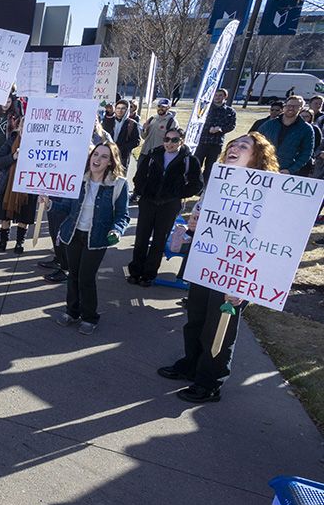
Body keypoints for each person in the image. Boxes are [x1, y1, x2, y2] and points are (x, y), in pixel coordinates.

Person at [159, 133, 280, 402]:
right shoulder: (217, 184)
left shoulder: (270, 194)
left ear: (257, 156)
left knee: (220, 327)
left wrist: (245, 286)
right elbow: (205, 226)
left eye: (244, 146)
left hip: (238, 272)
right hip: (208, 265)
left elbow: (273, 242)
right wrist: (193, 227)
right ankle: (192, 364)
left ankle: (209, 382)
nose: (235, 148)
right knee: (197, 319)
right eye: (233, 145)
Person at [52, 141, 130, 335]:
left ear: (111, 162)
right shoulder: (79, 179)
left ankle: (89, 317)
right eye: (96, 154)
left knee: (86, 278)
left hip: (96, 238)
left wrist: (117, 230)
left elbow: (123, 215)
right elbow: (66, 207)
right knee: (73, 275)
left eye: (104, 156)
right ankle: (72, 311)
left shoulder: (118, 184)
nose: (98, 159)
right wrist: (49, 203)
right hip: (74, 233)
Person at [128, 127, 202, 286]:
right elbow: (139, 176)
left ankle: (149, 274)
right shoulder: (154, 155)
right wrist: (143, 191)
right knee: (141, 237)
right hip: (148, 202)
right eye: (167, 139)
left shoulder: (189, 160)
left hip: (169, 205)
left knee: (159, 240)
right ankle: (135, 271)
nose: (170, 143)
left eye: (174, 140)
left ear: (181, 141)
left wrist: (178, 194)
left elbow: (197, 184)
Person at [0, 112, 35, 253]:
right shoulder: (12, 139)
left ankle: (19, 243)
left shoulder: (38, 142)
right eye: (23, 124)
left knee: (24, 216)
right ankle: (3, 241)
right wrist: (13, 156)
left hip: (28, 185)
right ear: (19, 125)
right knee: (5, 216)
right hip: (8, 184)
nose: (25, 128)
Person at [257, 95, 316, 174]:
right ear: (284, 107)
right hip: (264, 167)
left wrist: (291, 169)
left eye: (296, 106)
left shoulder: (306, 129)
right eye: (289, 105)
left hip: (286, 171)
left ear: (301, 109)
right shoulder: (269, 125)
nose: (291, 108)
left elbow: (306, 153)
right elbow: (255, 143)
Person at [194, 88, 236, 185]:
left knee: (210, 166)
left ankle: (203, 186)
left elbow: (232, 125)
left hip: (216, 143)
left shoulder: (230, 111)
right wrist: (208, 129)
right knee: (196, 163)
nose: (217, 97)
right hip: (202, 141)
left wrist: (220, 129)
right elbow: (197, 123)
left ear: (225, 97)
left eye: (220, 95)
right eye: (216, 95)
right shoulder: (205, 109)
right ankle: (193, 184)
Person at [101, 99, 140, 171]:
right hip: (108, 154)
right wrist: (109, 113)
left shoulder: (132, 124)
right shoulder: (110, 120)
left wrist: (122, 148)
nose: (120, 110)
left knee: (119, 177)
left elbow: (136, 141)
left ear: (127, 110)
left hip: (122, 157)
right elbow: (104, 130)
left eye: (123, 108)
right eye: (118, 108)